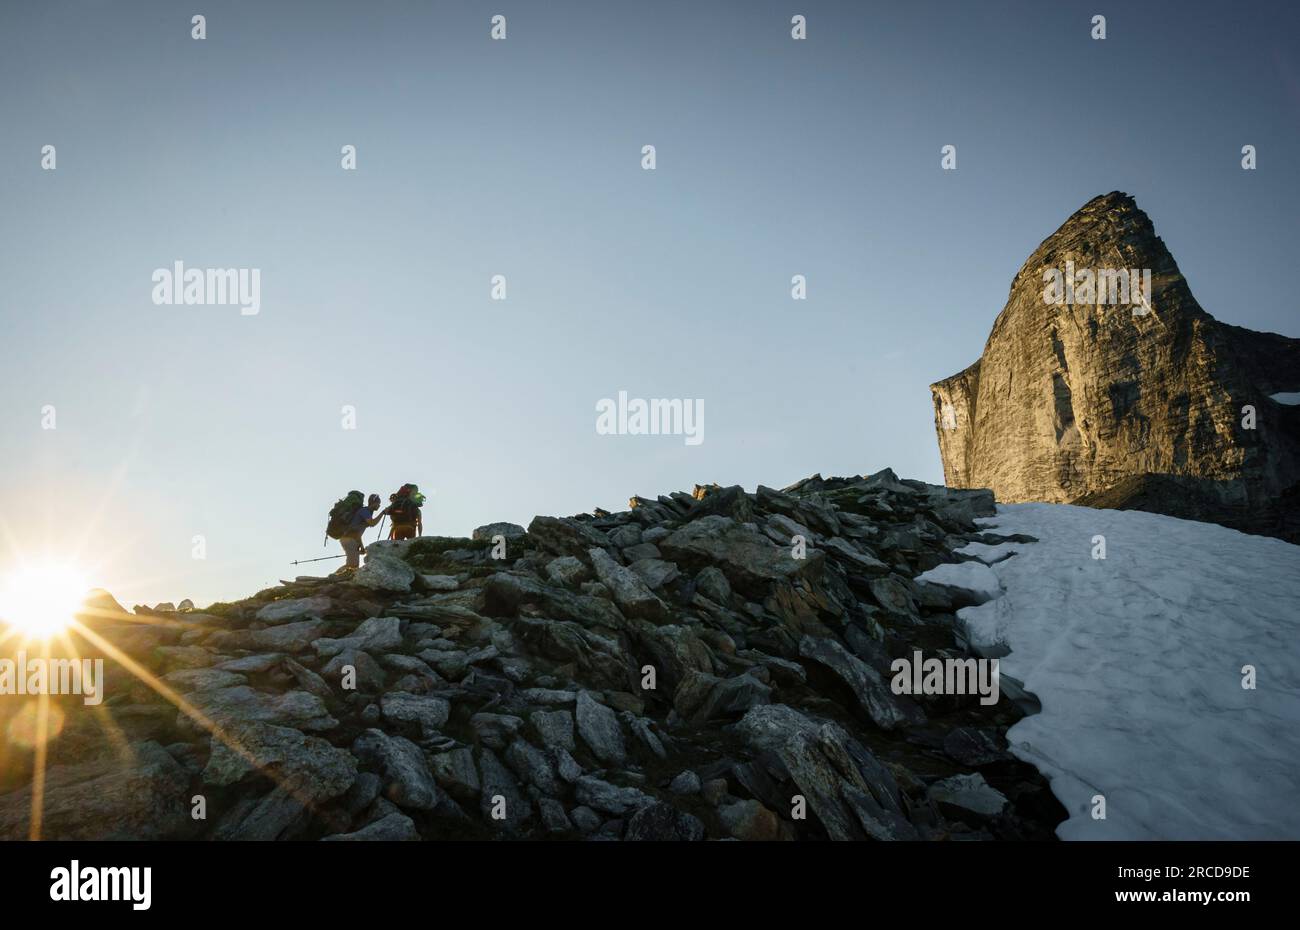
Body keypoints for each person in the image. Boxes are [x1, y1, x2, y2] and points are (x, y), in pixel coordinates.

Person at [338, 493, 384, 570]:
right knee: (353, 565)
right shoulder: (365, 511)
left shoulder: (367, 512)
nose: (379, 506)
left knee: (354, 566)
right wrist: (382, 513)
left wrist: (361, 547)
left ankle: (336, 575)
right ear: (373, 502)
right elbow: (372, 523)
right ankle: (333, 576)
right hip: (349, 539)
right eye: (378, 503)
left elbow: (357, 533)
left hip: (350, 539)